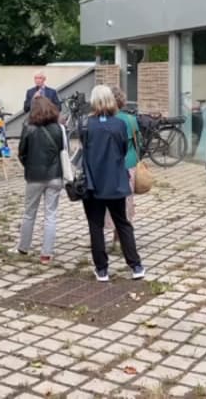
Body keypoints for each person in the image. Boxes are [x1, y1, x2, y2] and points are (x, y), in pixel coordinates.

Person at [81, 85, 145, 282]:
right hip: (116, 180)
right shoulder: (119, 124)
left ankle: (102, 269)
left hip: (93, 181)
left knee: (96, 225)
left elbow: (85, 148)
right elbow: (124, 149)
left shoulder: (86, 125)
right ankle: (135, 265)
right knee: (123, 223)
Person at [13, 97, 64, 264]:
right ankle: (46, 253)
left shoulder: (28, 128)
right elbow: (64, 151)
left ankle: (23, 247)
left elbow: (21, 152)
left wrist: (28, 165)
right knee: (50, 215)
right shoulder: (59, 128)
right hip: (55, 175)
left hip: (34, 176)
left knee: (29, 213)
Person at [105, 86, 141, 246]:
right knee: (127, 199)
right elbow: (136, 142)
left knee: (111, 201)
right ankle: (123, 233)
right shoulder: (131, 119)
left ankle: (116, 233)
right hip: (130, 163)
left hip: (111, 165)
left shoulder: (105, 119)